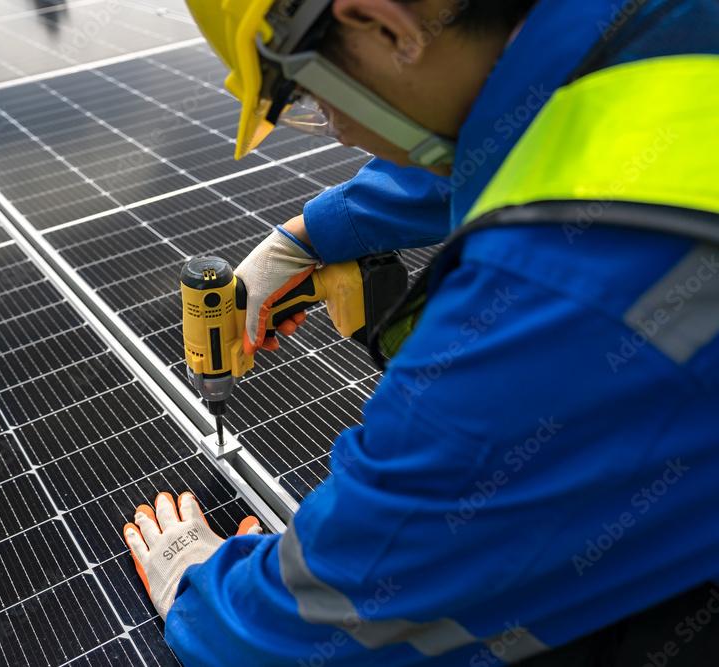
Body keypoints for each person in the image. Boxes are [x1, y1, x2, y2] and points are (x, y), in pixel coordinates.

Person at [122, 0, 719, 664]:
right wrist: (311, 234)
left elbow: (335, 621)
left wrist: (203, 590)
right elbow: (543, 118)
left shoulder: (555, 296)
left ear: (384, 24)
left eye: (309, 98)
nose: (339, 132)